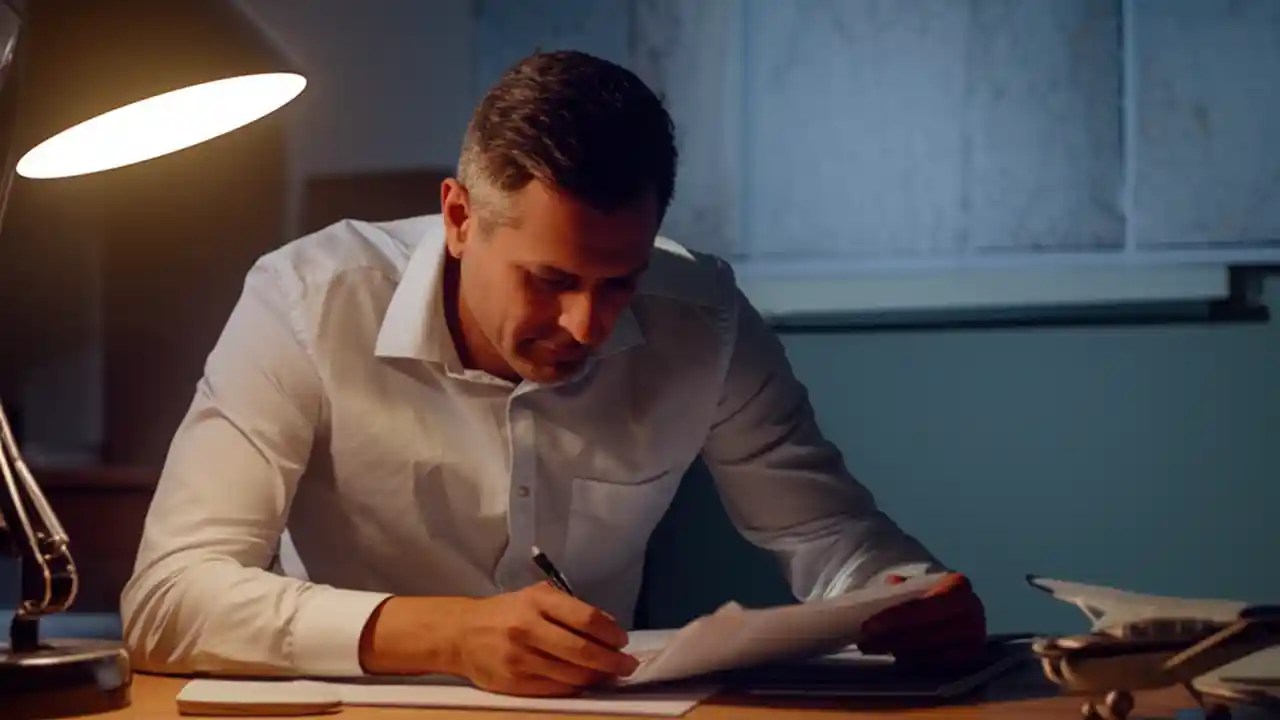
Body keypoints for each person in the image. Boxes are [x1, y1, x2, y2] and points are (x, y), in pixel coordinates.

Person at [122, 50, 985, 697]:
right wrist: (447, 635)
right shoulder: (306, 300)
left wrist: (903, 595)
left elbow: (827, 536)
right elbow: (167, 599)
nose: (585, 324)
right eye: (551, 280)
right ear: (458, 218)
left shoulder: (704, 319)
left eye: (621, 282)